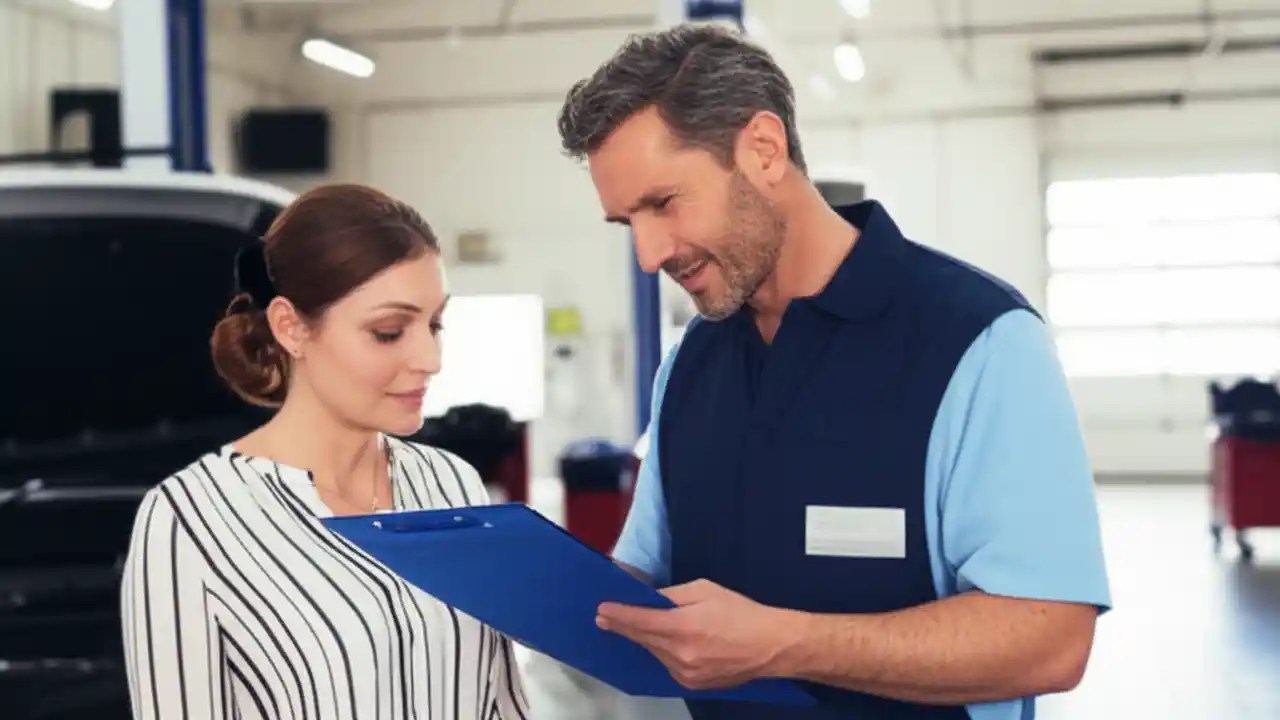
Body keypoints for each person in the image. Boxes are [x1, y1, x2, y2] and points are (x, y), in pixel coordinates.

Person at [556, 23, 1110, 720]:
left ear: (762, 149)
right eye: (625, 223)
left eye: (664, 203)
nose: (647, 254)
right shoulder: (691, 364)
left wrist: (788, 643)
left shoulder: (981, 341)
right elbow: (643, 576)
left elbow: (1052, 642)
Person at [119, 184, 530, 720]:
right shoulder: (187, 520)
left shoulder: (454, 486)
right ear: (290, 327)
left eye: (434, 324)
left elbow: (502, 704)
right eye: (388, 332)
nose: (430, 358)